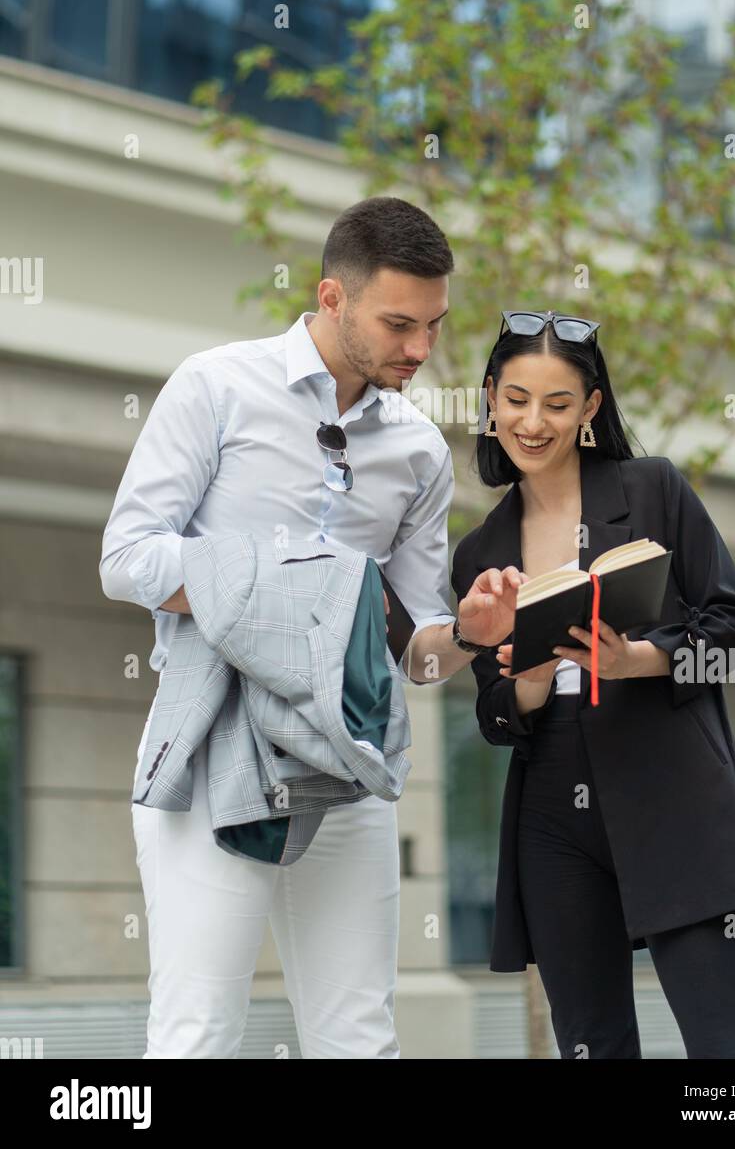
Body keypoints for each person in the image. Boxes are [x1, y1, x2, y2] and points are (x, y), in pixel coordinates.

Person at [100, 196, 507, 1059]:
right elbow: (128, 560)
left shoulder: (420, 453)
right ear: (331, 298)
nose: (420, 351)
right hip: (213, 746)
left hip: (345, 763)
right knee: (199, 1034)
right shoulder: (215, 386)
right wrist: (300, 591)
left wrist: (467, 634)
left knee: (360, 1038)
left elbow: (418, 652)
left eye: (434, 326)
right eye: (399, 324)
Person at [449, 310, 735, 1059]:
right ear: (490, 397)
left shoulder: (653, 490)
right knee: (590, 1043)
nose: (533, 423)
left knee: (730, 1044)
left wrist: (638, 659)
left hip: (669, 774)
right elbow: (495, 715)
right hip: (551, 801)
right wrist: (528, 682)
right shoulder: (480, 551)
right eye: (516, 399)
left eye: (559, 405)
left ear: (591, 408)